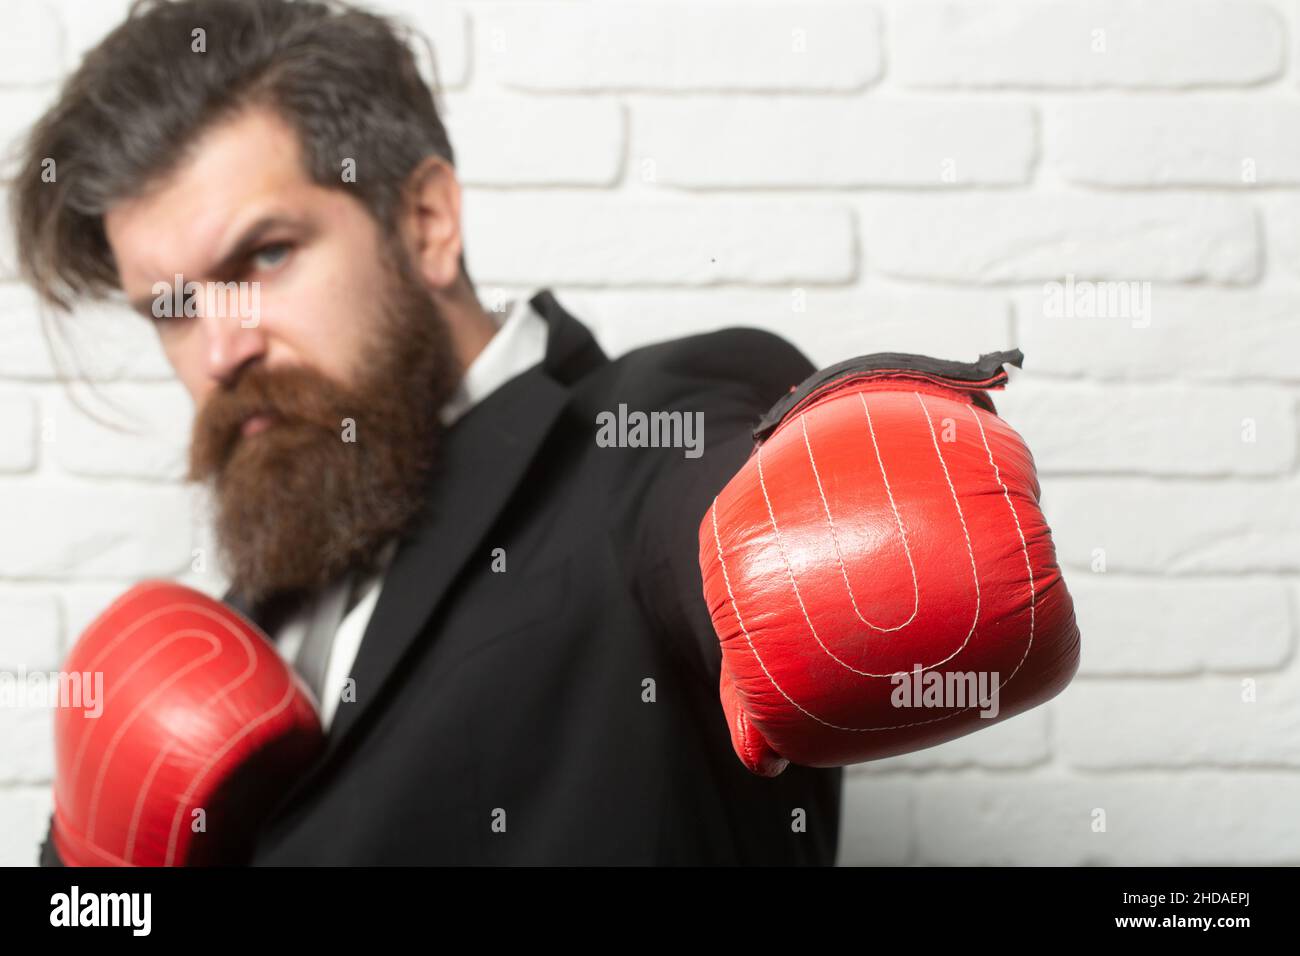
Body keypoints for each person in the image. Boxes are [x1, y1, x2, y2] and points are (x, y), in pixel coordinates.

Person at [14, 0, 843, 865]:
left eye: (264, 255)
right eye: (173, 308)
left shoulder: (643, 442)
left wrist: (843, 523)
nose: (220, 351)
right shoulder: (234, 638)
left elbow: (741, 513)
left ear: (426, 223)